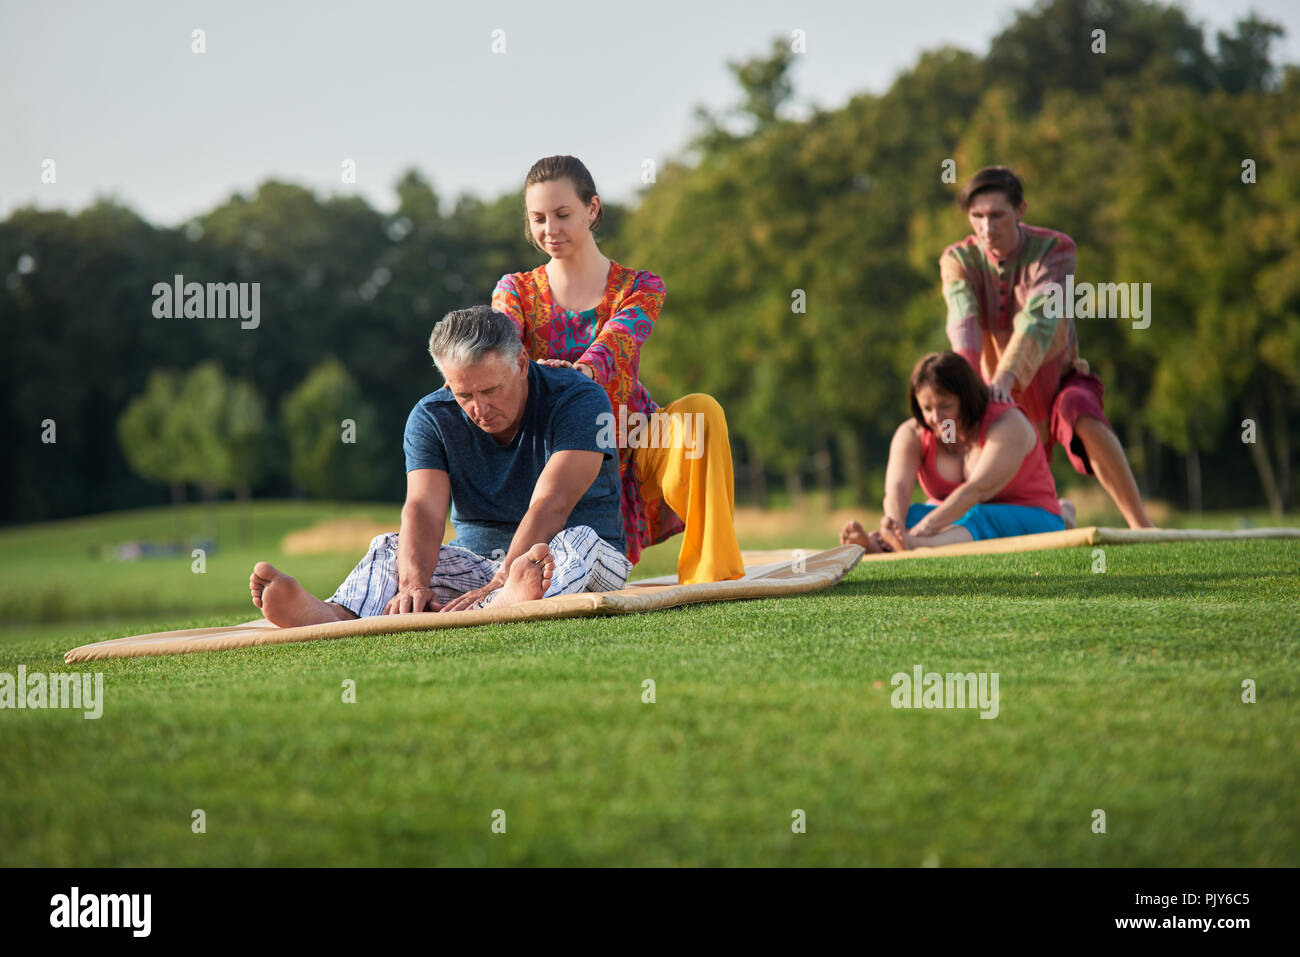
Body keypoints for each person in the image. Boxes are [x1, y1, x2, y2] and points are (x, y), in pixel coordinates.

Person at [248, 306, 633, 626]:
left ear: (520, 362)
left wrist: (503, 580)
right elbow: (423, 509)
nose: (479, 409)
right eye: (463, 394)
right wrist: (414, 584)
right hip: (479, 568)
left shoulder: (581, 399)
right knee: (389, 547)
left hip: (573, 555)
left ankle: (507, 601)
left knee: (570, 546)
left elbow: (553, 503)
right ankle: (333, 615)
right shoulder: (431, 416)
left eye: (490, 391)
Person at [490, 154, 745, 585]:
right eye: (538, 218)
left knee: (702, 413)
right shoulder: (514, 290)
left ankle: (712, 576)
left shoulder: (640, 287)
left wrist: (576, 373)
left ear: (592, 209)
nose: (550, 229)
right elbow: (502, 354)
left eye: (562, 214)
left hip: (630, 437)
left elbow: (615, 347)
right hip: (556, 454)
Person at [940, 166, 1153, 528]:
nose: (986, 228)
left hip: (1056, 381)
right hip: (991, 392)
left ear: (1020, 211)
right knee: (990, 486)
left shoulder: (1056, 249)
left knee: (1079, 409)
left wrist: (1005, 381)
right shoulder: (957, 260)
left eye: (996, 215)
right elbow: (964, 322)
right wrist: (968, 394)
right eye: (977, 217)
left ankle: (1142, 526)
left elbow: (1038, 321)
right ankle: (1061, 514)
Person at [841, 351, 1070, 553]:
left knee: (978, 515)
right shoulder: (912, 434)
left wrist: (926, 528)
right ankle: (883, 544)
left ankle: (913, 546)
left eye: (945, 406)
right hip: (959, 520)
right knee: (910, 516)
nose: (936, 418)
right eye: (927, 408)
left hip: (1036, 518)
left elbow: (977, 490)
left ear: (966, 399)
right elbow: (897, 491)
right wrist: (895, 524)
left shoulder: (1009, 424)